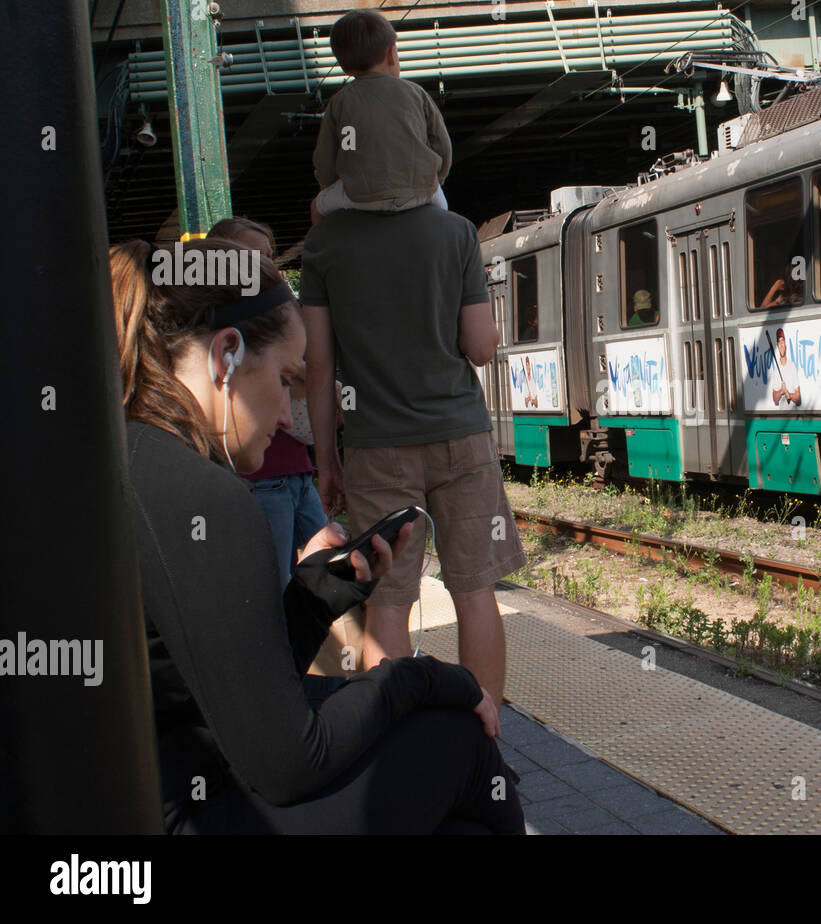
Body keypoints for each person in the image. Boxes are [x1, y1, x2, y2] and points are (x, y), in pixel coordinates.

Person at [110, 238, 522, 834]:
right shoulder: (199, 496)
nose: (285, 416)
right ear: (227, 355)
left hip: (147, 783)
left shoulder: (131, 457)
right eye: (284, 380)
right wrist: (423, 677)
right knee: (462, 741)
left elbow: (228, 684)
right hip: (176, 810)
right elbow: (288, 762)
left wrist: (319, 593)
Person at [301, 202, 527, 700]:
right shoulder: (456, 232)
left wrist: (326, 462)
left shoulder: (325, 243)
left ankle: (392, 751)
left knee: (386, 601)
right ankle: (484, 748)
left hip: (375, 446)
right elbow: (481, 347)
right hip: (460, 436)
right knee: (474, 593)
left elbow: (318, 363)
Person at [208, 217, 328, 590]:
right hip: (261, 479)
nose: (265, 264)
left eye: (268, 255)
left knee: (329, 570)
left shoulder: (276, 314)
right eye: (251, 255)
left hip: (296, 470)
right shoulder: (228, 322)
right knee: (274, 585)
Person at [310, 8, 453, 225]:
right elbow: (442, 145)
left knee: (317, 206)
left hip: (359, 195)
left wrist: (331, 185)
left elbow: (326, 159)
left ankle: (322, 252)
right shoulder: (416, 93)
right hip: (421, 191)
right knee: (445, 214)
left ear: (343, 65)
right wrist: (435, 180)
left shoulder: (339, 102)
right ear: (390, 54)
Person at [767, 327, 802, 407]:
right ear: (777, 346)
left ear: (785, 343)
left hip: (793, 416)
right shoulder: (776, 369)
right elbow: (775, 399)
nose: (781, 344)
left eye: (782, 341)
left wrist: (789, 395)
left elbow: (798, 397)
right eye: (779, 342)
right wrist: (781, 391)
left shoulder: (792, 366)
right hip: (782, 416)